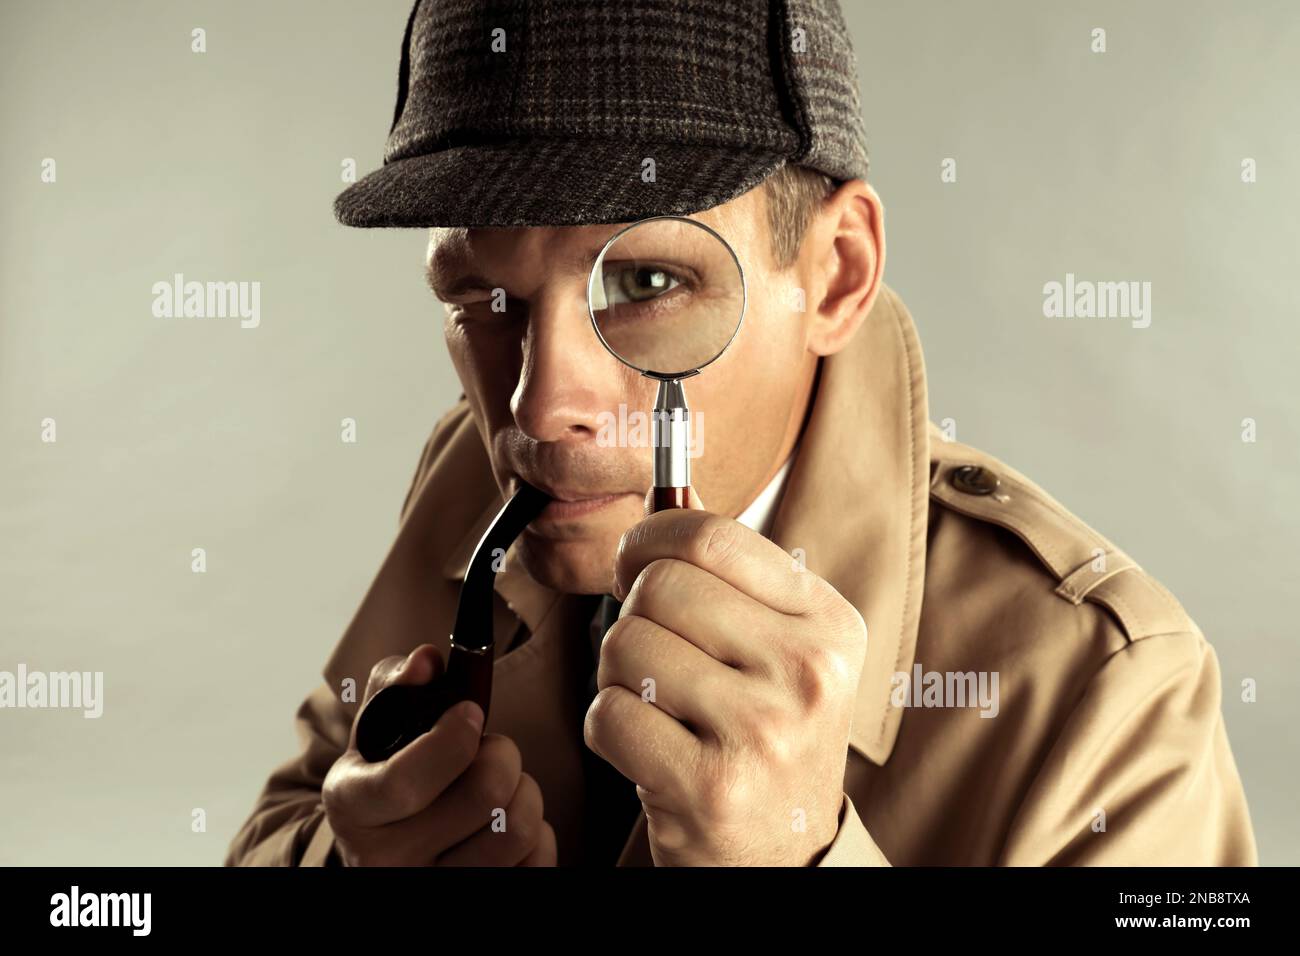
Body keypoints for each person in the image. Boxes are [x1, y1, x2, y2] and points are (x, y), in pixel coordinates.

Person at [225, 0, 1257, 866]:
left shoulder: (1110, 691)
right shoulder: (470, 477)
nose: (538, 412)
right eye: (486, 299)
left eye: (645, 281)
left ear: (836, 272)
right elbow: (284, 821)